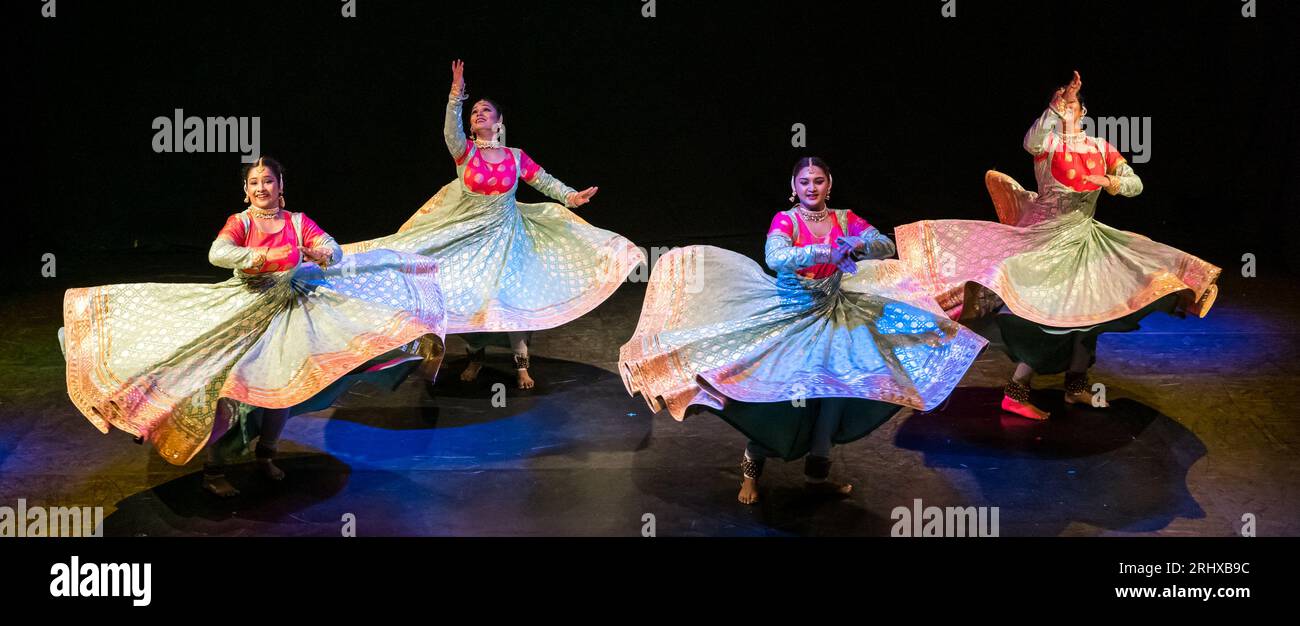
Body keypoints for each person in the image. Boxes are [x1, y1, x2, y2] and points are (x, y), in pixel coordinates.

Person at [620, 157, 986, 504]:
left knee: (837, 388)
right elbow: (776, 257)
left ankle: (818, 471)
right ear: (793, 187)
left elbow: (884, 244)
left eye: (819, 181)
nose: (812, 187)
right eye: (805, 181)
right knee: (775, 393)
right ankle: (752, 467)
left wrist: (857, 243)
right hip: (789, 317)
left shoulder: (845, 218)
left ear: (830, 185)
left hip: (834, 313)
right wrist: (825, 252)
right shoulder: (787, 221)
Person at [894, 71, 1220, 420]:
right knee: (1052, 320)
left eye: (1072, 105)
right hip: (1048, 243)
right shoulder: (1047, 146)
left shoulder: (1100, 147)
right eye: (1060, 104)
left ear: (1083, 112)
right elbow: (1031, 140)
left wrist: (1110, 180)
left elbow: (1136, 184)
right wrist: (1054, 107)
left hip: (1086, 239)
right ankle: (1016, 391)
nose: (1067, 109)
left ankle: (1077, 385)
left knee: (1092, 313)